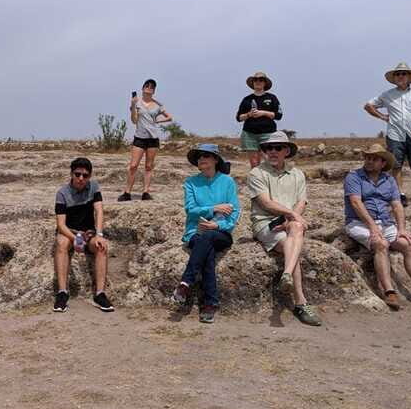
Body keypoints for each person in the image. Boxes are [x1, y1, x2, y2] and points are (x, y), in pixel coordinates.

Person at [343, 144, 411, 311]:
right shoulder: (354, 177)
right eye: (367, 157)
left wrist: (401, 229)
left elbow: (397, 205)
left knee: (409, 245)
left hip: (385, 222)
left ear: (383, 163)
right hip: (359, 223)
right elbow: (355, 202)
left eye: (374, 159)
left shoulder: (389, 180)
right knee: (380, 244)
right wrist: (372, 227)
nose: (369, 161)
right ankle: (389, 291)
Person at [248, 131, 321, 326]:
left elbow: (301, 201)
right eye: (268, 148)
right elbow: (266, 203)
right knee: (293, 247)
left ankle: (286, 275)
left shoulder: (297, 174)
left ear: (286, 151)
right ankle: (301, 303)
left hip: (290, 222)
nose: (272, 151)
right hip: (266, 223)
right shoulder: (257, 173)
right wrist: (293, 215)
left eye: (278, 148)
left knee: (295, 231)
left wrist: (291, 217)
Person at [171, 144, 239, 324]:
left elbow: (234, 211)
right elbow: (191, 210)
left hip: (220, 232)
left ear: (215, 159)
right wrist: (214, 208)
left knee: (207, 237)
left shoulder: (227, 182)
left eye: (206, 156)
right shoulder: (190, 183)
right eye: (199, 156)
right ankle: (210, 304)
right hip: (195, 232)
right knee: (206, 251)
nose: (201, 159)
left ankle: (186, 282)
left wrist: (216, 225)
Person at [363, 62, 411, 207]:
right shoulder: (388, 95)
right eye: (397, 74)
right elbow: (368, 106)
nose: (400, 76)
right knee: (396, 165)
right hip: (394, 135)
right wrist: (382, 116)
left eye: (403, 73)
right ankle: (400, 194)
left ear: (409, 77)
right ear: (394, 77)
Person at [53, 157, 114, 313]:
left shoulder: (94, 187)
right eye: (77, 174)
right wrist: (76, 238)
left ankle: (100, 293)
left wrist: (99, 234)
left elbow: (99, 210)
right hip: (70, 231)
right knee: (61, 244)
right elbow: (61, 225)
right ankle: (62, 293)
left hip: (89, 232)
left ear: (90, 176)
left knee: (101, 246)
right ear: (71, 174)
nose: (81, 178)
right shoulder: (62, 193)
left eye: (85, 175)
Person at [117, 79, 174, 201]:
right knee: (133, 165)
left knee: (149, 166)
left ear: (154, 91)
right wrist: (132, 105)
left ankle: (145, 192)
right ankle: (127, 192)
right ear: (142, 88)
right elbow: (134, 120)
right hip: (139, 138)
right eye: (147, 86)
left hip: (152, 139)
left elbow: (169, 117)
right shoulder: (137, 103)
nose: (149, 88)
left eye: (152, 87)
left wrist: (158, 121)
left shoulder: (158, 105)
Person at [236, 72, 283, 169]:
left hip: (268, 133)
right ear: (252, 83)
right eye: (255, 80)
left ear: (265, 83)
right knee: (254, 162)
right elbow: (239, 117)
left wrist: (263, 113)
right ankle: (256, 182)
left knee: (269, 160)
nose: (258, 82)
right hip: (250, 134)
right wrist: (249, 114)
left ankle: (272, 181)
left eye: (261, 80)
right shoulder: (247, 99)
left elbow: (279, 115)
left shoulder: (271, 98)